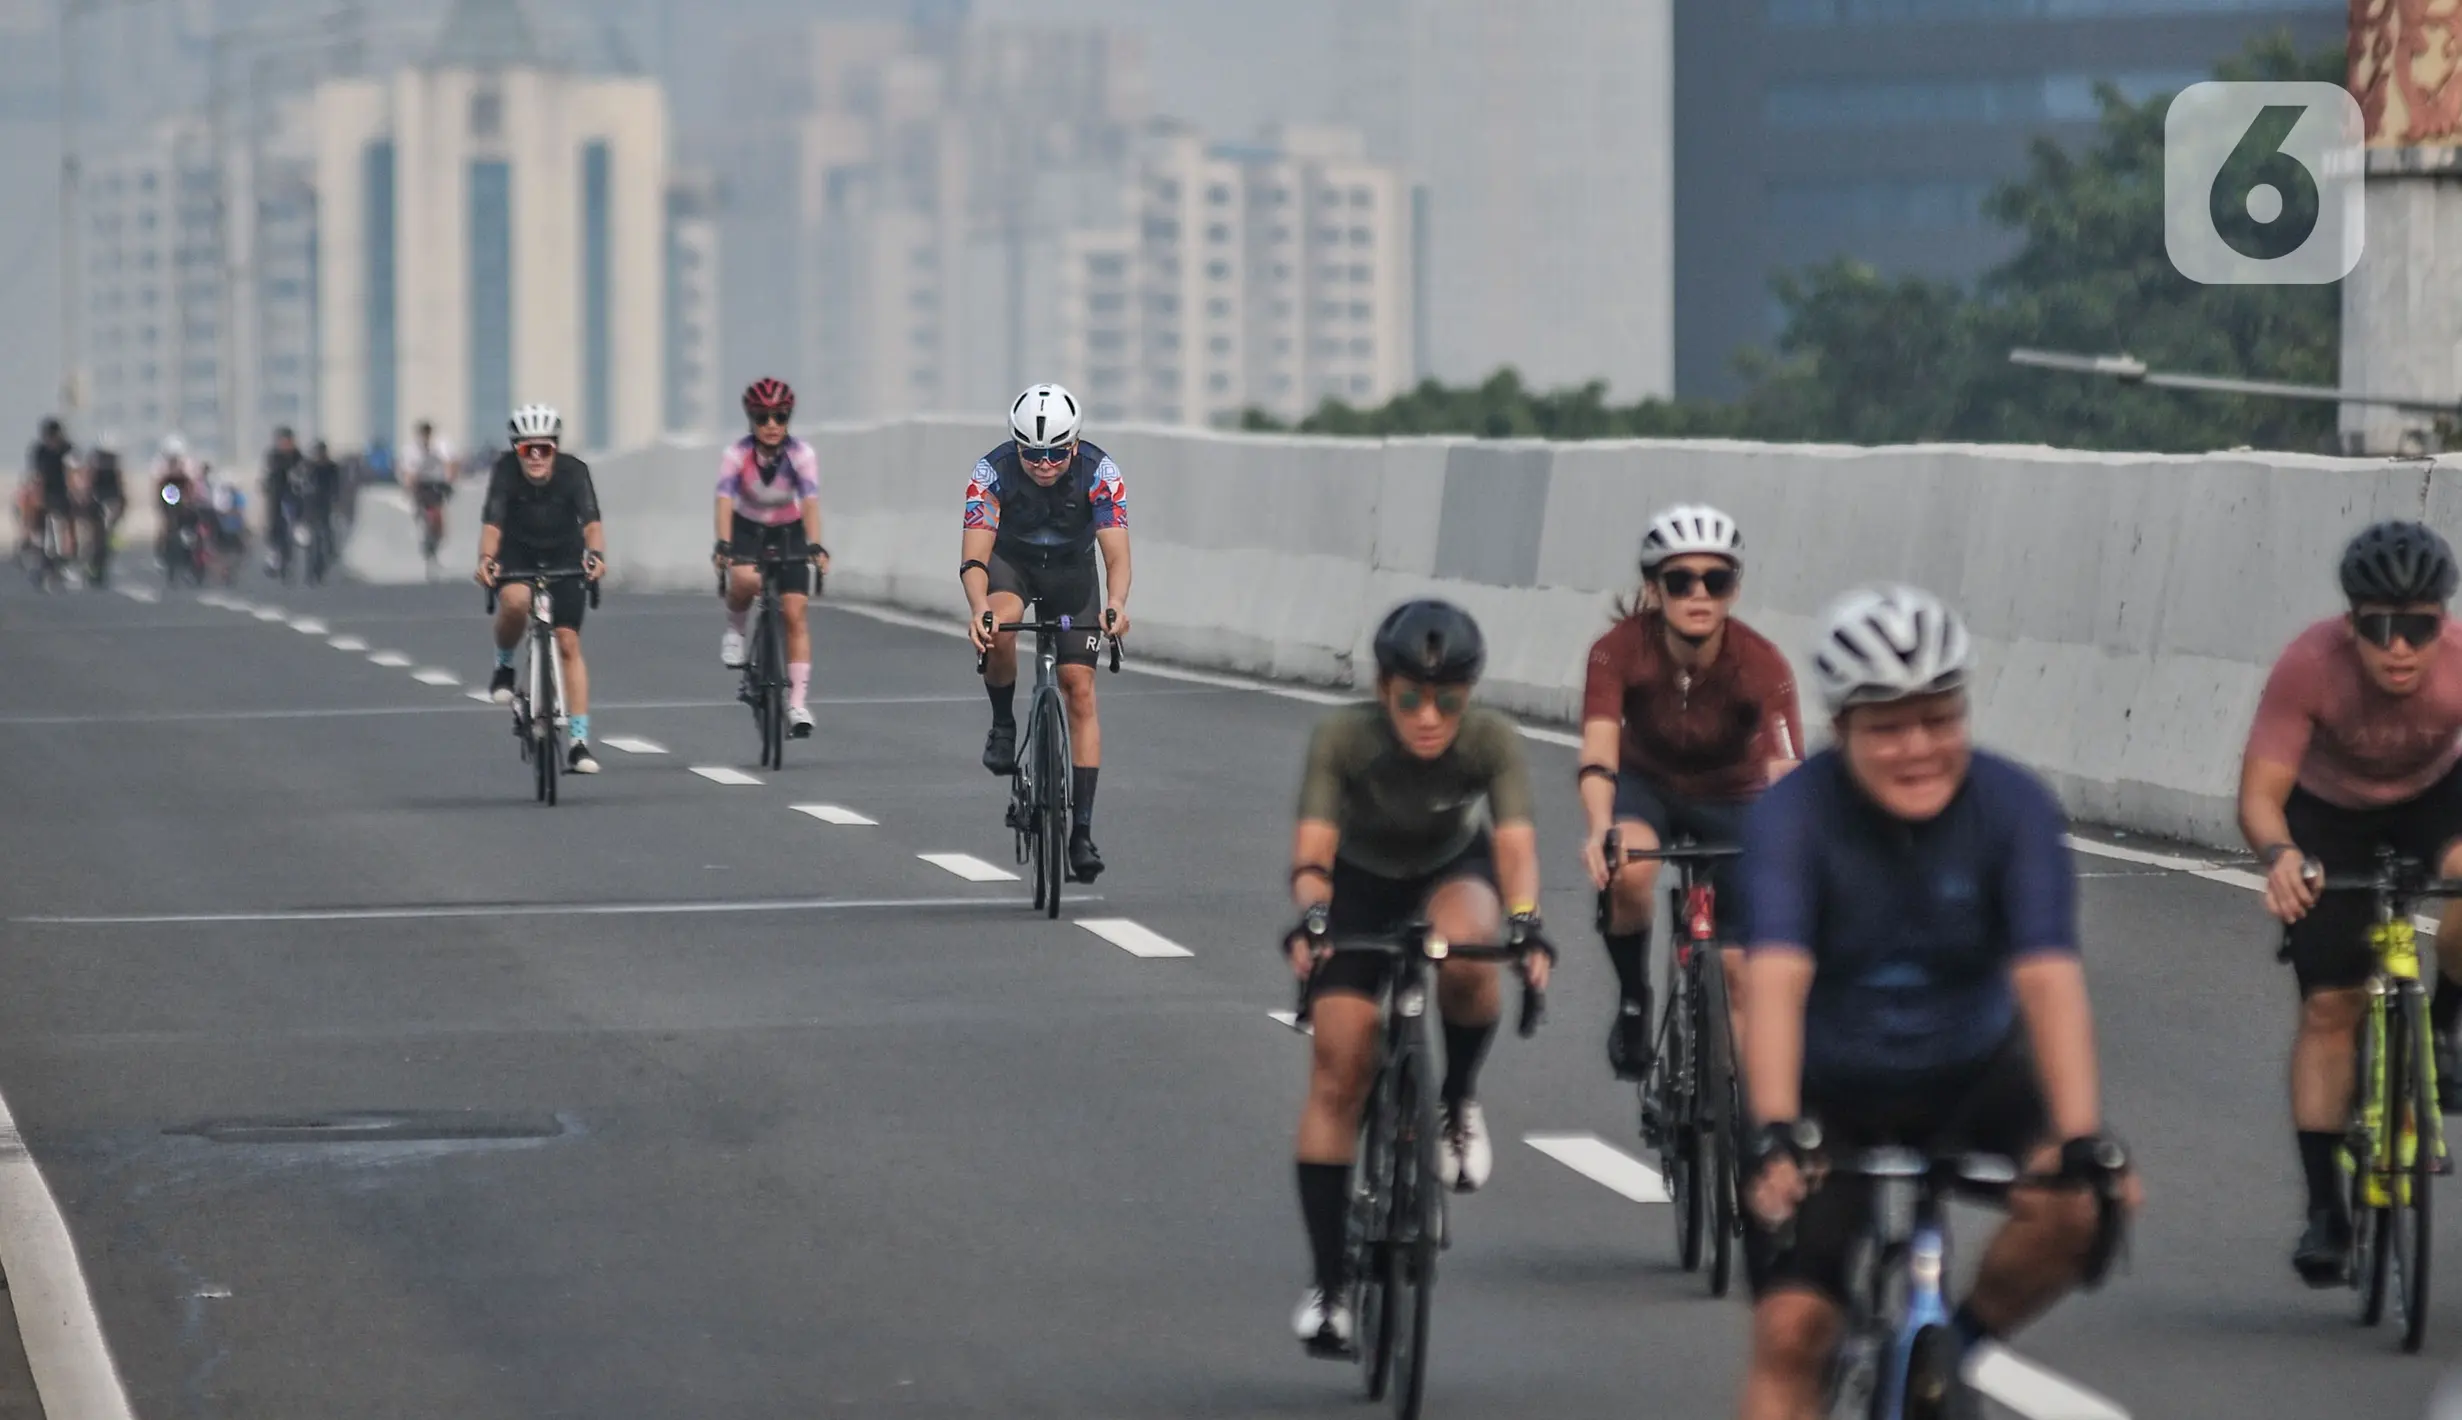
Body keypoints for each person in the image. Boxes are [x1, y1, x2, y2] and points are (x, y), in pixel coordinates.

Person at [1734, 584, 2134, 1420]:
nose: (1918, 748)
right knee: (1791, 1331)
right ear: (1841, 729)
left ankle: (1954, 1346)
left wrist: (2080, 1135)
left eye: (1939, 718)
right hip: (1829, 1088)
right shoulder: (1792, 818)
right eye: (1887, 727)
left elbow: (2047, 976)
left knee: (2077, 1209)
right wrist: (1773, 1128)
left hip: (1971, 1072)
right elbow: (1775, 976)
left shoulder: (2014, 808)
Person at [1283, 600, 1555, 1352]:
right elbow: (1312, 855)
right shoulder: (1342, 737)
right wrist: (1313, 918)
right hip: (1358, 883)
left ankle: (1456, 1102)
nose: (1429, 716)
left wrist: (1526, 920)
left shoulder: (1492, 740)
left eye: (1449, 700)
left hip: (1448, 872)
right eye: (1410, 698)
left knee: (1468, 949)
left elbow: (1515, 846)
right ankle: (1330, 1286)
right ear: (1382, 690)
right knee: (1340, 1063)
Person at [2239, 519, 2462, 1285]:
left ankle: (2444, 1026)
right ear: (2352, 625)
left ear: (2443, 623)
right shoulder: (2309, 664)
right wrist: (2282, 857)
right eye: (2380, 628)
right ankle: (2326, 1213)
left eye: (2419, 628)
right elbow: (2262, 796)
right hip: (2329, 819)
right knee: (2330, 1009)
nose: (2399, 647)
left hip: (2435, 798)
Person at [1580, 504, 1801, 1086]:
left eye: (1716, 580)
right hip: (1647, 785)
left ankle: (1749, 1124)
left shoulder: (1762, 663)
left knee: (1739, 971)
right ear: (1655, 589)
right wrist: (1602, 828)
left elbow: (1786, 771)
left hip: (1733, 795)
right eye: (1680, 582)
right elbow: (1601, 749)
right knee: (1629, 871)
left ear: (1733, 589)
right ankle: (1633, 998)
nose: (1698, 594)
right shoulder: (1619, 649)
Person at [960, 383, 1131, 882]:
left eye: (1057, 452)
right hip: (1012, 566)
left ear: (1075, 443)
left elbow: (1116, 555)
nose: (1044, 463)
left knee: (1080, 691)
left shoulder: (1101, 472)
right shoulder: (991, 472)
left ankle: (1081, 831)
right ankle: (1003, 723)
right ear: (1016, 445)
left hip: (1072, 574)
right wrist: (978, 609)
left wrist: (1117, 603)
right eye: (1032, 453)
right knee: (1001, 625)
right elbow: (974, 557)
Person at [476, 404, 607, 776]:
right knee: (515, 602)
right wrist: (486, 560)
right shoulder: (504, 473)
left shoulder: (574, 473)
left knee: (568, 642)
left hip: (564, 555)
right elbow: (492, 526)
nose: (535, 457)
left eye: (544, 449)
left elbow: (592, 523)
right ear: (515, 451)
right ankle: (504, 665)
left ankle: (579, 742)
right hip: (517, 555)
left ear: (555, 449)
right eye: (526, 450)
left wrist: (596, 555)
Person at [715, 378, 830, 736]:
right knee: (746, 580)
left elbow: (810, 502)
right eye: (763, 417)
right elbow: (723, 501)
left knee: (795, 613)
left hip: (788, 529)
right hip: (747, 528)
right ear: (751, 419)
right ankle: (735, 629)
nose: (771, 425)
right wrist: (723, 544)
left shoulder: (801, 455)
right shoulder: (737, 455)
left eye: (779, 417)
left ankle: (796, 703)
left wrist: (814, 544)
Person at [399, 420, 459, 576]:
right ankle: (423, 537)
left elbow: (450, 463)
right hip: (421, 485)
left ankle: (437, 541)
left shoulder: (441, 445)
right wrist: (409, 488)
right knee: (421, 514)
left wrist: (450, 480)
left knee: (438, 516)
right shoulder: (411, 450)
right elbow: (408, 472)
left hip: (437, 483)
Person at [25, 417, 76, 570]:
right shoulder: (40, 451)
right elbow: (37, 476)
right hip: (46, 494)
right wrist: (37, 496)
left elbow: (73, 473)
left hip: (63, 493)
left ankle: (64, 559)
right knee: (43, 530)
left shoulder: (67, 449)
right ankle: (44, 561)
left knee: (64, 528)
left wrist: (74, 494)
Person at [78, 433, 126, 586]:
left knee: (109, 535)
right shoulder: (93, 465)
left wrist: (120, 505)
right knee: (94, 534)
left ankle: (104, 559)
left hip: (109, 501)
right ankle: (89, 559)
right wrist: (88, 499)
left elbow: (120, 488)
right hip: (96, 501)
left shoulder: (115, 467)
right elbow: (88, 484)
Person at [261, 427, 305, 577]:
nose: (287, 444)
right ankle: (273, 556)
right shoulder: (273, 456)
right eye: (284, 441)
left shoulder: (298, 456)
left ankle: (298, 533)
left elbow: (304, 474)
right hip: (276, 495)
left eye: (289, 440)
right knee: (274, 526)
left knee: (297, 518)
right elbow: (268, 475)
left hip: (293, 496)